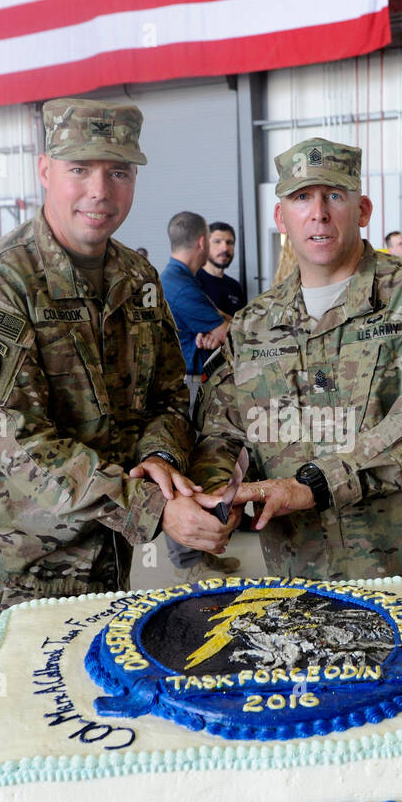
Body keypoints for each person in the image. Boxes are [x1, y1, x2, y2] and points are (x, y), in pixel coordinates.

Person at [0, 98, 234, 620]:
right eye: (80, 169)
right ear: (46, 171)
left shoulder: (137, 279)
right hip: (23, 571)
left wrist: (160, 460)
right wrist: (154, 508)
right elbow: (16, 442)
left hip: (110, 554)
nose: (100, 191)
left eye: (118, 171)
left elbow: (165, 395)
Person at [190, 137, 402, 581]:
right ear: (281, 217)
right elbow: (222, 429)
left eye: (334, 195)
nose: (319, 213)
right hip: (301, 573)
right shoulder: (254, 323)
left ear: (363, 210)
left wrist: (316, 483)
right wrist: (215, 497)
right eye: (300, 198)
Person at [160, 210, 240, 582]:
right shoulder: (176, 281)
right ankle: (189, 563)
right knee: (181, 471)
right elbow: (222, 325)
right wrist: (222, 326)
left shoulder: (183, 280)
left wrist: (222, 326)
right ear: (202, 243)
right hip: (184, 383)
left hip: (196, 377)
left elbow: (222, 324)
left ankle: (201, 554)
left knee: (197, 468)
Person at [196, 221, 246, 315]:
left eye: (229, 242)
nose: (225, 248)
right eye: (217, 242)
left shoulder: (235, 286)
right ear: (204, 245)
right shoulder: (192, 282)